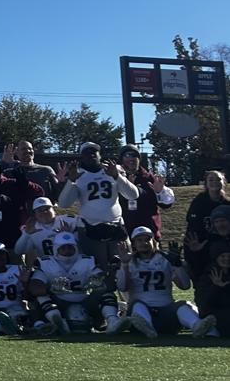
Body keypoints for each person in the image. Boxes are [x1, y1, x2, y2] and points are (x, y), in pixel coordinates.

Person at [117, 227, 217, 339]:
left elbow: (185, 286)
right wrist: (124, 264)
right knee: (137, 304)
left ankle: (197, 326)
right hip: (139, 314)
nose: (144, 243)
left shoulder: (165, 259)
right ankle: (146, 326)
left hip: (166, 313)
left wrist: (177, 265)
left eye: (147, 239)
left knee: (182, 305)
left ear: (154, 241)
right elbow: (122, 287)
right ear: (134, 244)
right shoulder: (129, 261)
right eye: (139, 240)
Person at [57, 142, 138, 278]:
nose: (91, 155)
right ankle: (104, 298)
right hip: (90, 229)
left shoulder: (113, 169)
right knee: (97, 271)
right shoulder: (78, 174)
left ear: (100, 154)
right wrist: (71, 181)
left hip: (116, 226)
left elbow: (133, 195)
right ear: (82, 157)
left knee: (124, 267)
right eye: (87, 153)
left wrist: (117, 177)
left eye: (94, 152)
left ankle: (128, 297)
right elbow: (64, 204)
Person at [28, 232, 126, 335]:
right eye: (63, 248)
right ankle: (57, 320)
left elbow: (104, 280)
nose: (67, 251)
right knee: (41, 297)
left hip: (85, 300)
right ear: (56, 249)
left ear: (76, 247)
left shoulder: (87, 261)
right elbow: (35, 288)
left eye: (70, 247)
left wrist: (98, 280)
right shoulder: (45, 263)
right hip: (59, 302)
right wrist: (50, 288)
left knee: (107, 293)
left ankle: (112, 321)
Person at [117, 145, 174, 239]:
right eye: (127, 155)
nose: (131, 159)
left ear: (139, 159)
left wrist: (160, 192)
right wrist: (127, 188)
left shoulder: (149, 178)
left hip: (149, 234)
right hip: (124, 234)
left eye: (134, 155)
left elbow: (166, 204)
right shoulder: (115, 178)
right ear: (121, 159)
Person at [185, 170, 230, 238]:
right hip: (199, 241)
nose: (215, 182)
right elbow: (192, 222)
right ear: (206, 183)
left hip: (221, 241)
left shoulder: (227, 203)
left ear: (224, 182)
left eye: (218, 179)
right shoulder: (199, 201)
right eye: (211, 180)